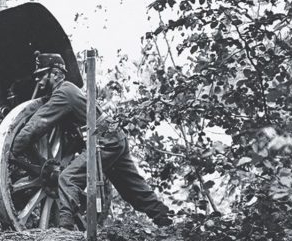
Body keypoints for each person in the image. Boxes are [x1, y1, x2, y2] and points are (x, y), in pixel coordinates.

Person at [11, 52, 172, 229]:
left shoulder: (64, 93)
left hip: (104, 139)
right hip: (114, 135)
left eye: (42, 75)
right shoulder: (68, 90)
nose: (37, 80)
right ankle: (164, 218)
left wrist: (12, 151)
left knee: (67, 179)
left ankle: (65, 228)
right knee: (132, 188)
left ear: (56, 74)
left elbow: (37, 124)